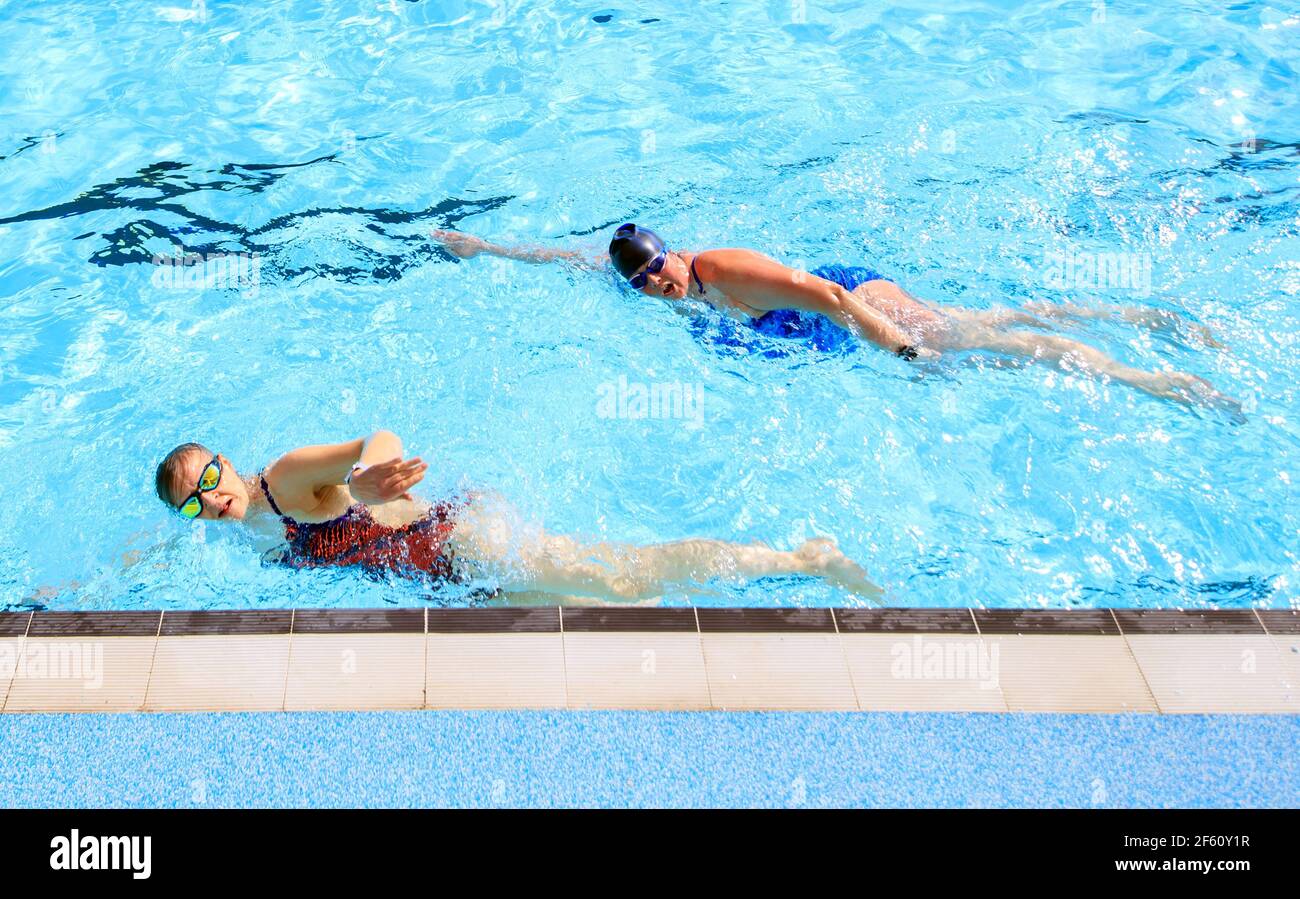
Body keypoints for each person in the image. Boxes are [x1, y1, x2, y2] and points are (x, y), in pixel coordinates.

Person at [431, 224, 1237, 412]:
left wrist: (891, 341)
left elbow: (831, 297)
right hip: (817, 317)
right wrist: (481, 247)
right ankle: (1129, 314)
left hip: (851, 300)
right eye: (640, 282)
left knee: (976, 341)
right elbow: (561, 257)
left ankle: (1146, 369)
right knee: (986, 323)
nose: (654, 287)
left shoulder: (723, 271)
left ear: (675, 253)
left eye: (657, 269)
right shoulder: (639, 280)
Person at [153, 430, 882, 605]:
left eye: (212, 478)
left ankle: (805, 557)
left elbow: (377, 442)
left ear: (224, 460)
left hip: (459, 539)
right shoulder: (245, 528)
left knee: (623, 579)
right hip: (447, 580)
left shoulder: (282, 480)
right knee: (606, 608)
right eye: (198, 501)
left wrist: (367, 481)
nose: (215, 498)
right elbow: (142, 555)